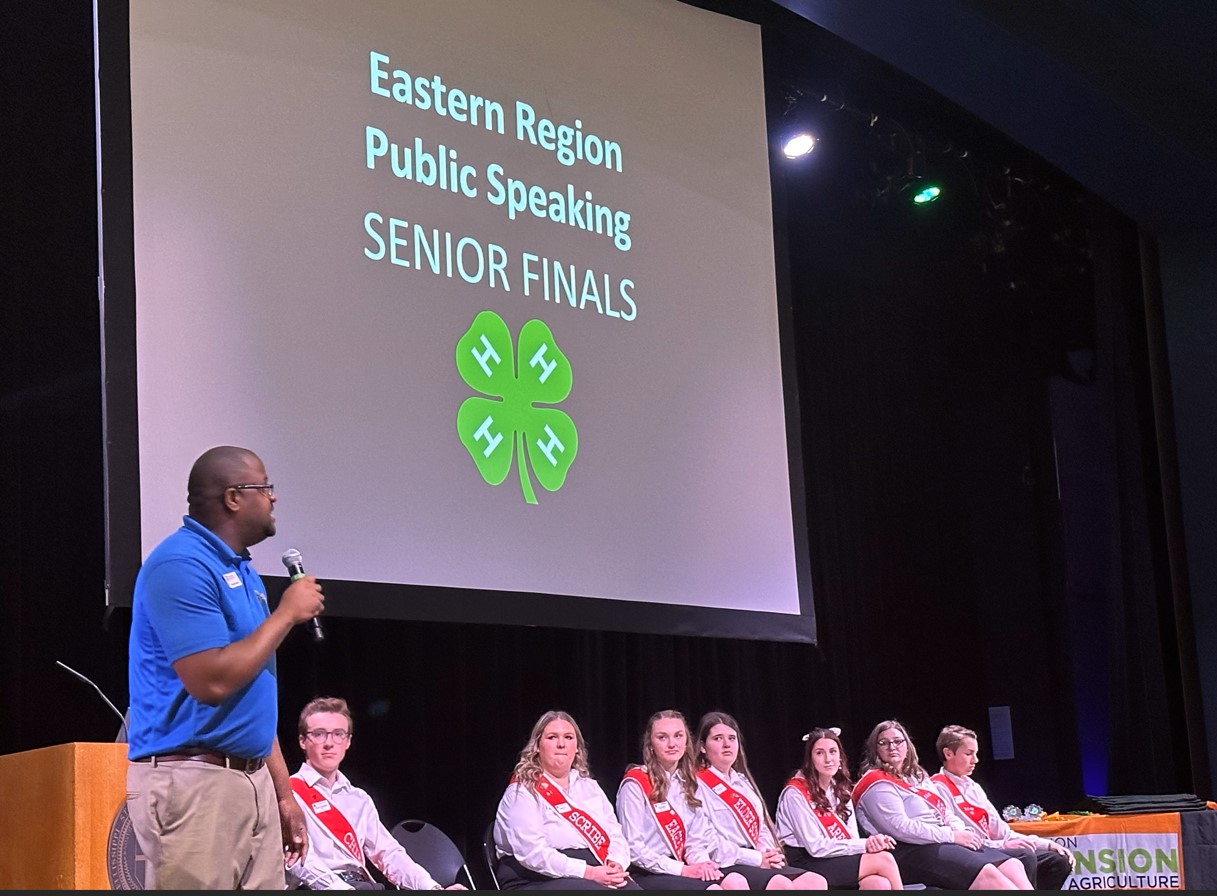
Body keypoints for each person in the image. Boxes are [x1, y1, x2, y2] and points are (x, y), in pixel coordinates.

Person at [126, 445, 327, 889]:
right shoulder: (181, 565)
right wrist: (285, 614)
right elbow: (211, 681)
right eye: (265, 487)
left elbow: (249, 694)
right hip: (194, 780)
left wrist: (283, 794)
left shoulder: (242, 571)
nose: (274, 497)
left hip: (251, 779)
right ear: (234, 497)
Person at [286, 696, 467, 890]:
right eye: (319, 734)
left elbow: (389, 854)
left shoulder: (359, 798)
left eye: (338, 734)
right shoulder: (288, 795)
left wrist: (432, 888)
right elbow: (297, 861)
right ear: (302, 741)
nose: (329, 743)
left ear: (348, 741)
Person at [851, 720, 1035, 891]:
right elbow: (901, 828)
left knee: (1012, 865)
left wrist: (960, 831)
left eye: (898, 741)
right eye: (883, 743)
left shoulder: (917, 776)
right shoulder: (876, 783)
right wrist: (951, 836)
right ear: (875, 749)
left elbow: (945, 811)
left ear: (907, 745)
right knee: (988, 874)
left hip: (940, 841)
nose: (892, 747)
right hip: (908, 850)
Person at [493, 710, 643, 890]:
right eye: (552, 737)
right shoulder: (522, 791)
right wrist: (588, 873)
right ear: (537, 746)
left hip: (593, 870)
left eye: (568, 737)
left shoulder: (589, 787)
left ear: (577, 747)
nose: (561, 744)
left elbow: (614, 833)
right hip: (535, 877)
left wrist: (615, 863)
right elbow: (532, 853)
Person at [692, 711, 827, 891]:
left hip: (756, 857)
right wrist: (756, 859)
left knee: (815, 882)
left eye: (732, 738)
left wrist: (767, 853)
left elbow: (761, 826)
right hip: (727, 861)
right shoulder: (697, 784)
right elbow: (708, 842)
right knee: (781, 885)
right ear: (703, 746)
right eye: (718, 739)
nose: (727, 744)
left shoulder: (742, 781)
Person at [932, 725, 1074, 890]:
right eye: (969, 754)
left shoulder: (973, 787)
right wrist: (1003, 846)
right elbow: (960, 838)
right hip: (970, 855)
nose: (975, 760)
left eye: (976, 754)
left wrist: (1047, 844)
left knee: (1058, 861)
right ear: (948, 753)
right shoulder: (937, 787)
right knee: (1024, 856)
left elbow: (1003, 832)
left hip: (992, 849)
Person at [616, 711, 747, 890]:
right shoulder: (635, 783)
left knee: (736, 882)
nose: (672, 744)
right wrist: (682, 870)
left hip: (683, 865)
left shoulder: (688, 782)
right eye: (662, 737)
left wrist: (702, 864)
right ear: (650, 744)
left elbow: (695, 840)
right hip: (649, 872)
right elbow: (634, 848)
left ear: (686, 741)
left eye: (678, 736)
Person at [774, 727, 903, 890]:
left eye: (833, 752)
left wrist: (872, 843)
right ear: (810, 759)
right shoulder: (795, 793)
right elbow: (816, 847)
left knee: (878, 883)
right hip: (803, 861)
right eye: (820, 753)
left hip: (832, 857)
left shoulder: (840, 789)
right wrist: (865, 844)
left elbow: (852, 838)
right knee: (884, 860)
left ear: (840, 757)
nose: (828, 759)